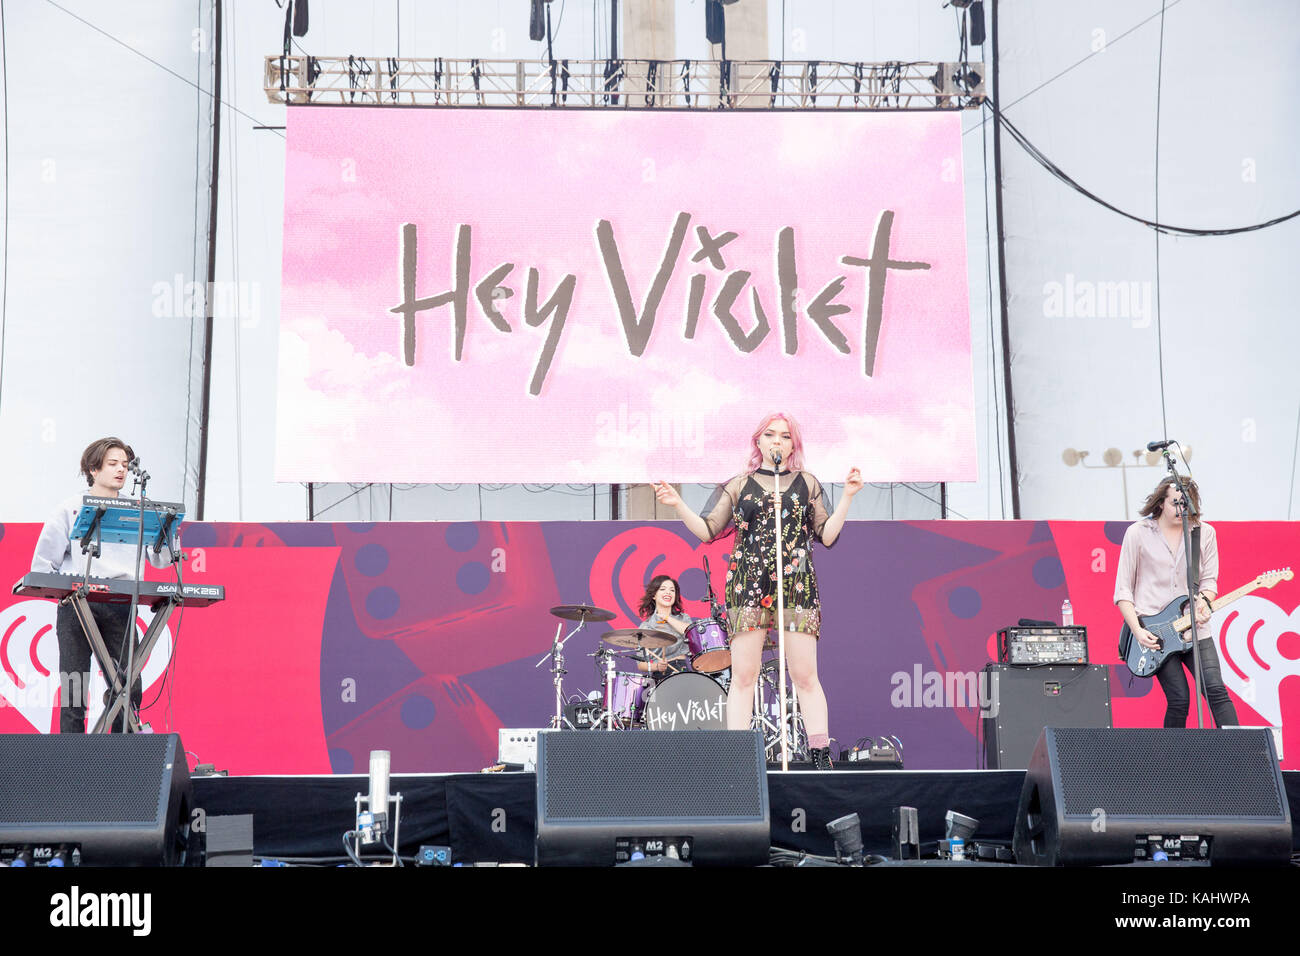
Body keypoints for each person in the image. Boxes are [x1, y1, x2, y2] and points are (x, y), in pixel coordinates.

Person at [653, 412, 862, 768]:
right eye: (770, 435)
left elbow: (826, 535)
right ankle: (737, 757)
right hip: (748, 585)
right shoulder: (739, 485)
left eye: (784, 436)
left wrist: (848, 498)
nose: (777, 441)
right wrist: (678, 505)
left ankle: (820, 755)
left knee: (805, 675)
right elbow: (707, 530)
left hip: (796, 586)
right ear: (759, 442)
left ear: (792, 445)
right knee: (745, 675)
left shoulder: (806, 483)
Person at [30, 437, 175, 733]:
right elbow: (43, 565)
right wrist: (65, 591)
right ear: (93, 469)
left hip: (121, 605)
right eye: (112, 464)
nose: (121, 470)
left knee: (129, 687)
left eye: (125, 465)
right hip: (77, 605)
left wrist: (167, 531)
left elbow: (161, 560)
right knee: (74, 687)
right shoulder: (69, 509)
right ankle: (71, 762)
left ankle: (116, 756)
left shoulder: (140, 509)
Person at [1114, 476, 1238, 728]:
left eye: (1186, 503)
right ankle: (1173, 763)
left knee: (1216, 691)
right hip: (1155, 631)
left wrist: (1203, 603)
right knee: (1180, 698)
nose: (1181, 509)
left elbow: (1209, 581)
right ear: (1160, 503)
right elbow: (1123, 591)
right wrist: (1138, 631)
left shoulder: (1203, 532)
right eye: (1175, 503)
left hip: (1195, 629)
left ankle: (1241, 759)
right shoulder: (1137, 533)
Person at [632, 574, 692, 678]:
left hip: (681, 668)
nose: (668, 592)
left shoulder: (683, 618)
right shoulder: (646, 626)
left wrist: (667, 617)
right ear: (654, 595)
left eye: (672, 590)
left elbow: (690, 632)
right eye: (663, 589)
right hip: (660, 675)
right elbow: (641, 664)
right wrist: (657, 666)